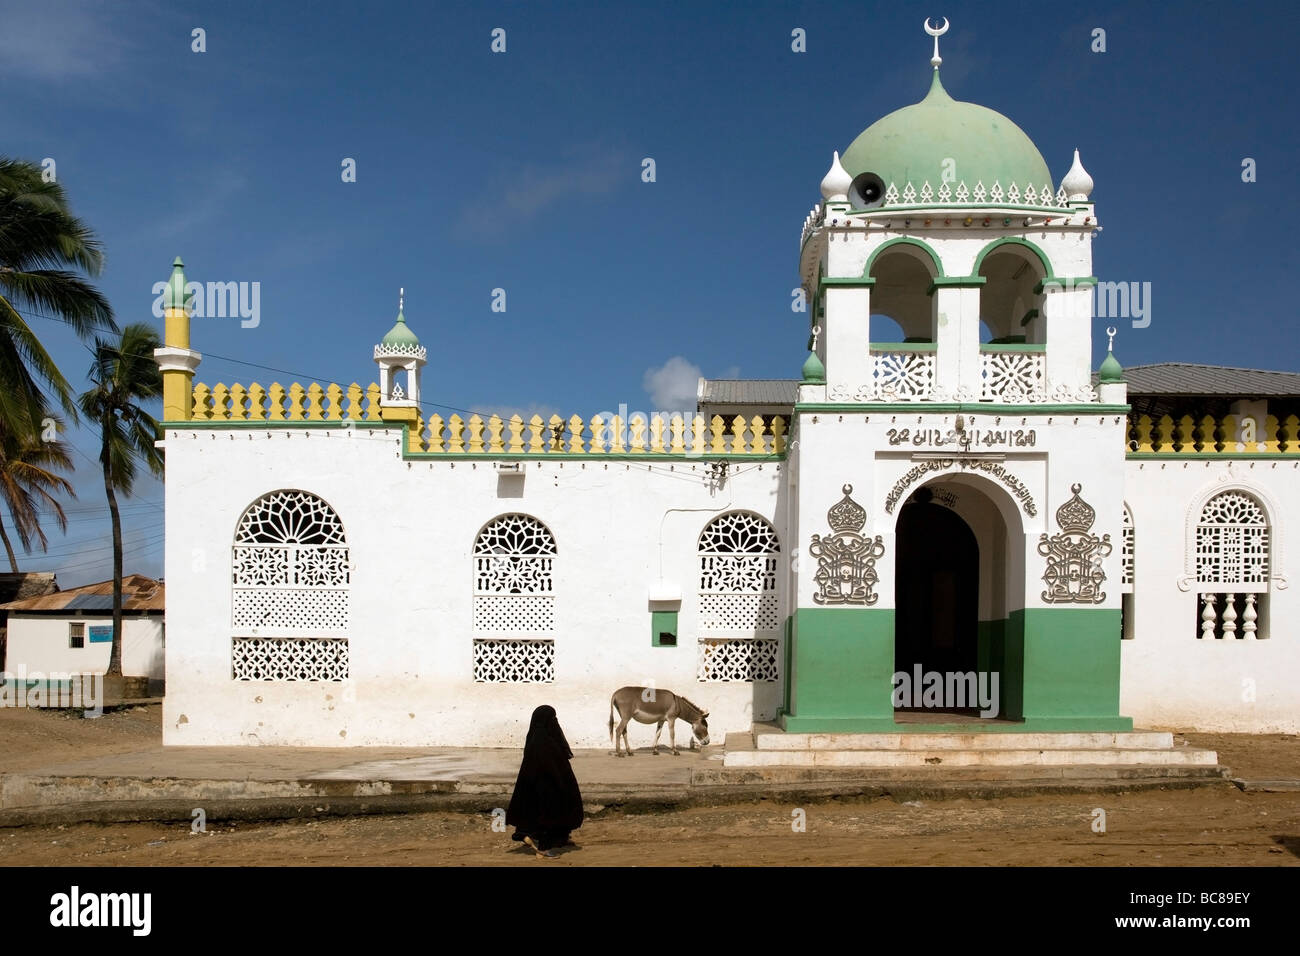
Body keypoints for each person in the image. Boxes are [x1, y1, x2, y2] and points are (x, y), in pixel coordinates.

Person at [506, 705, 584, 858]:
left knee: (536, 811)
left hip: (534, 785)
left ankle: (553, 837)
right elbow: (550, 766)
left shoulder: (535, 737)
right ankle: (543, 846)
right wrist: (561, 783)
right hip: (547, 785)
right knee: (549, 812)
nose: (554, 722)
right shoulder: (546, 741)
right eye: (552, 718)